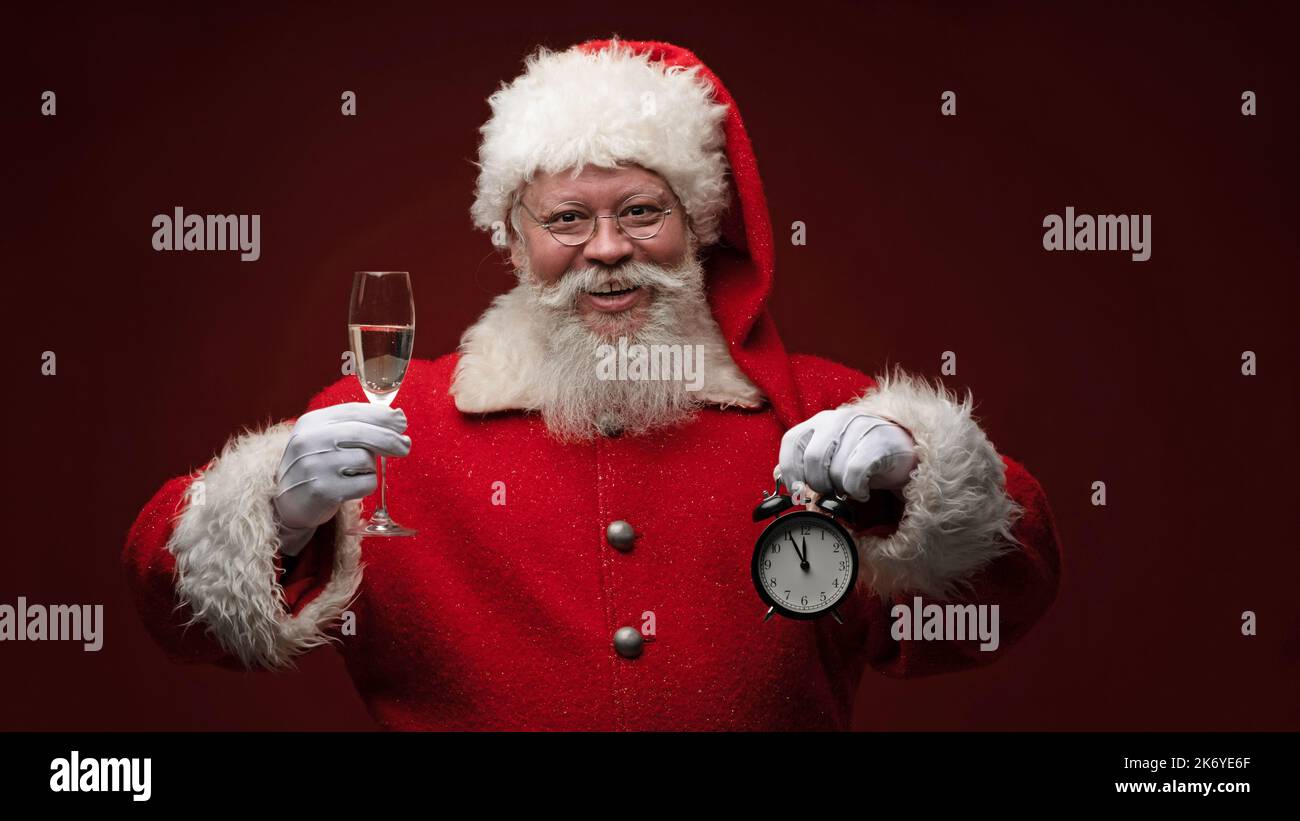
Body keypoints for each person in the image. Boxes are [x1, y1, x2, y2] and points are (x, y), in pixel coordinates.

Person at [123, 37, 1062, 731]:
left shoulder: (826, 414)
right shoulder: (387, 423)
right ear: (514, 238)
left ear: (696, 225)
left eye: (642, 212)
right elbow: (173, 611)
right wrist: (270, 518)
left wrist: (931, 483)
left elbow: (1004, 600)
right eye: (567, 217)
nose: (607, 251)